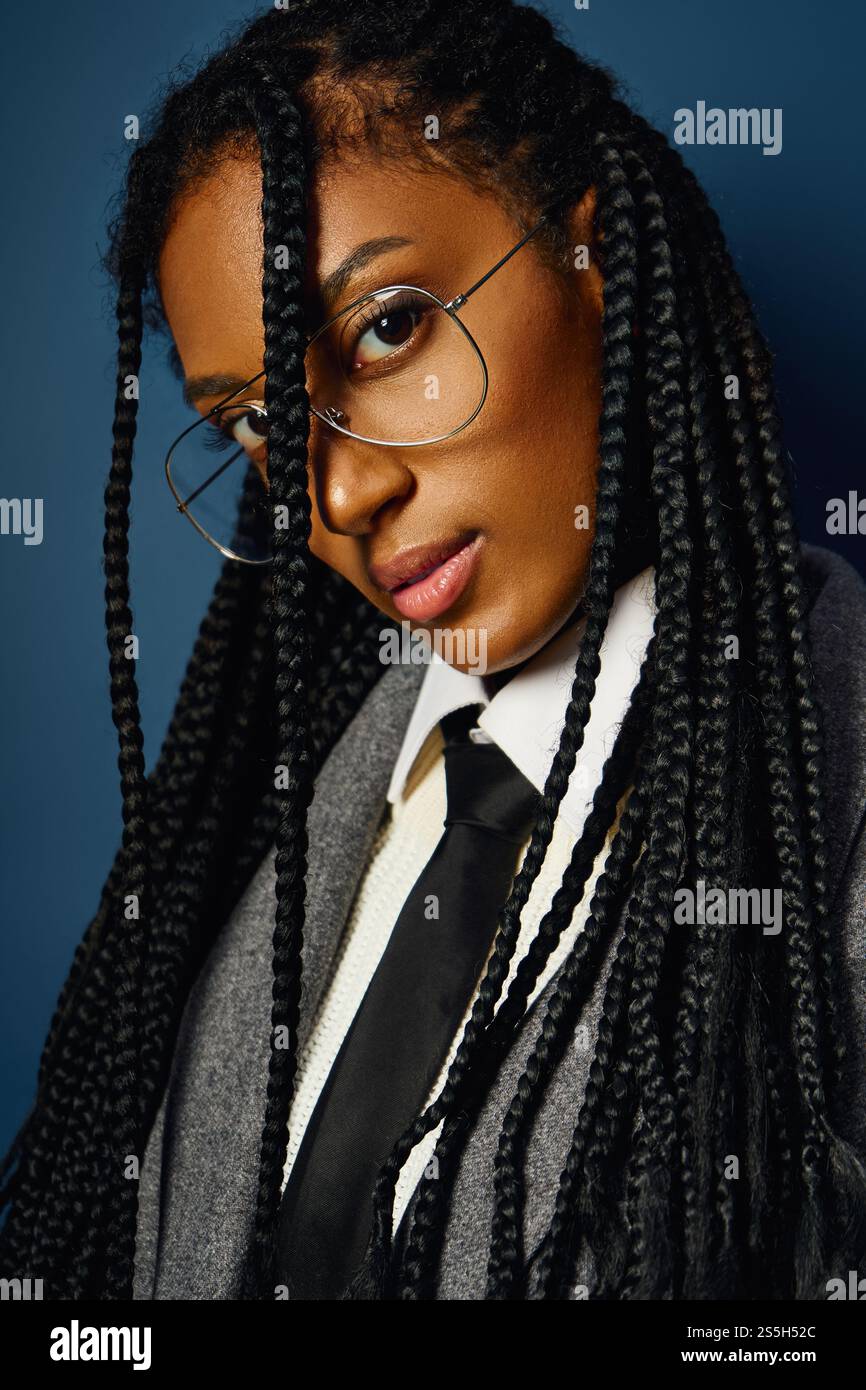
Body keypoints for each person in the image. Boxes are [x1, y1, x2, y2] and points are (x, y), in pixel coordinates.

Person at [2, 0, 865, 1302]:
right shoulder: (255, 835)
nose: (334, 497)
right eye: (252, 420)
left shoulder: (827, 822)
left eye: (388, 327)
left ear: (600, 257)